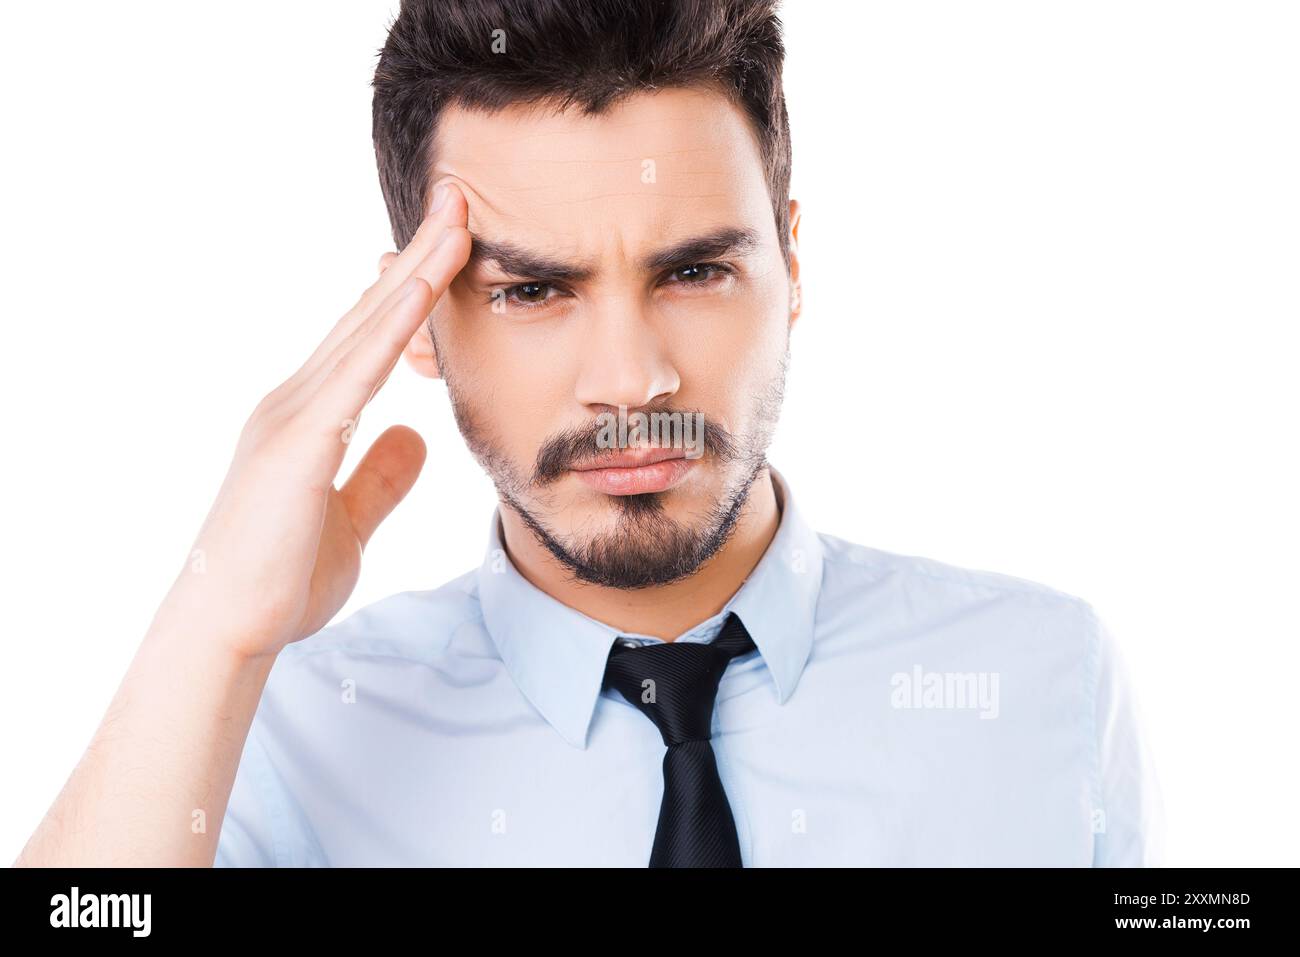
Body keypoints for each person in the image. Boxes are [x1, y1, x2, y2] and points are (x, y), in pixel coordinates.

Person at [15, 0, 1163, 867]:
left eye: (697, 270)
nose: (631, 379)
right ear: (411, 320)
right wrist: (212, 627)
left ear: (793, 265)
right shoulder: (279, 734)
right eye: (532, 291)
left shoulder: (1043, 678)